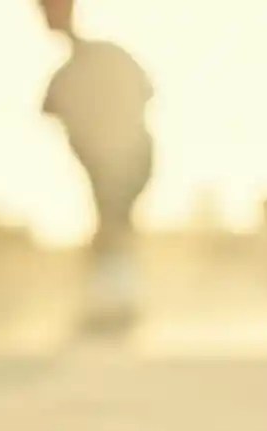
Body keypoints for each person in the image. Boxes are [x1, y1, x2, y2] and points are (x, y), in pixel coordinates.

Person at [38, 0, 154, 333]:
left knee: (114, 227)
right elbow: (48, 110)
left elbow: (145, 91)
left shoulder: (106, 57)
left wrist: (113, 130)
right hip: (101, 166)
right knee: (110, 228)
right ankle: (113, 306)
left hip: (130, 158)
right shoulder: (65, 75)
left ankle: (118, 307)